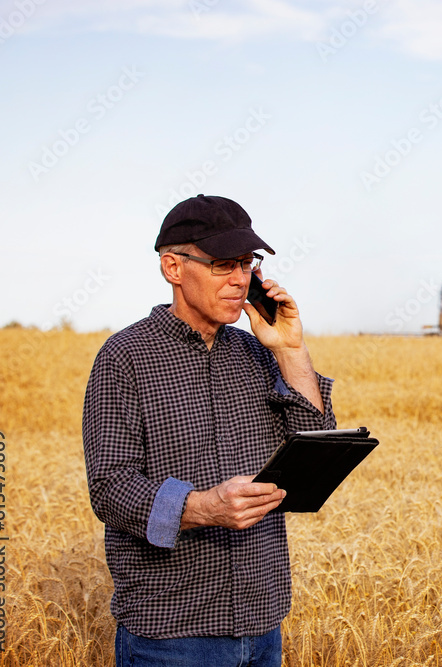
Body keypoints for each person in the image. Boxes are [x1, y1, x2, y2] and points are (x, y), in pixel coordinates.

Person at [82, 194, 336, 666]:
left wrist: (291, 349)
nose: (241, 280)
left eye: (247, 264)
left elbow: (315, 444)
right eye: (223, 265)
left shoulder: (260, 353)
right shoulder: (124, 358)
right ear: (172, 267)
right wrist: (203, 508)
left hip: (263, 624)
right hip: (172, 635)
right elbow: (110, 489)